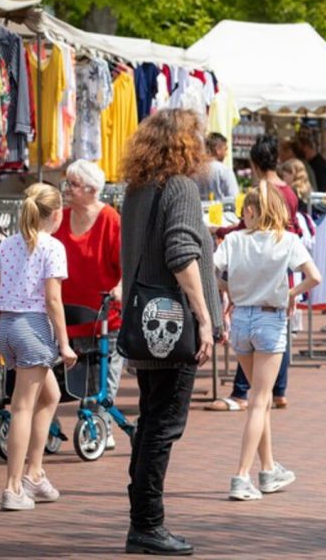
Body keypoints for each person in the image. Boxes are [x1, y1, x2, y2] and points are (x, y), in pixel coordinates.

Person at [119, 109, 222, 555]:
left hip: (144, 323)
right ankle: (147, 524)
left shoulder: (137, 189)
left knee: (151, 422)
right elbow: (181, 253)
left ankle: (142, 520)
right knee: (163, 426)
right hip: (173, 326)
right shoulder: (179, 187)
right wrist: (204, 317)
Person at [215, 181, 321, 501]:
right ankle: (241, 475)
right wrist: (290, 293)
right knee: (260, 401)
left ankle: (269, 469)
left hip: (241, 318)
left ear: (250, 210)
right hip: (269, 319)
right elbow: (314, 277)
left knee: (260, 402)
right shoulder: (286, 239)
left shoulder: (234, 239)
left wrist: (228, 289)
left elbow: (212, 271)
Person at [0, 183, 77, 511]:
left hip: (8, 327)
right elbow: (53, 300)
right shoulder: (53, 247)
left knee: (50, 396)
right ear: (56, 214)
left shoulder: (7, 245)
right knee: (22, 407)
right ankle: (13, 487)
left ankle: (34, 475)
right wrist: (64, 343)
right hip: (32, 328)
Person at [210, 135, 303, 412]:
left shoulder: (261, 193)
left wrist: (219, 231)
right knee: (277, 331)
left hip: (258, 272)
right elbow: (295, 228)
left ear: (254, 164)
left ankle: (243, 391)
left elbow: (244, 228)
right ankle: (278, 390)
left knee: (253, 331)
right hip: (282, 270)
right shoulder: (288, 192)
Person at [53, 161, 123, 450]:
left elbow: (126, 265)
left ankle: (101, 426)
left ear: (93, 190)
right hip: (66, 315)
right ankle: (53, 425)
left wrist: (120, 288)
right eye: (67, 183)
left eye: (73, 184)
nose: (67, 189)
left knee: (102, 379)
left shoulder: (110, 220)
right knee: (67, 378)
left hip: (103, 316)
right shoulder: (60, 217)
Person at [197, 132, 240, 201]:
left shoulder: (196, 170)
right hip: (219, 207)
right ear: (218, 150)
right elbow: (234, 197)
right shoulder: (224, 170)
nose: (226, 154)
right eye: (225, 149)